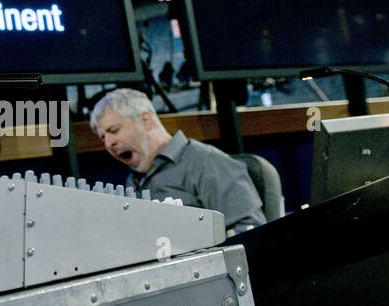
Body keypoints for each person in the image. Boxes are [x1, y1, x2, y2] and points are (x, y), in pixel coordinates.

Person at [91, 88, 266, 235]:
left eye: (114, 130)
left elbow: (251, 233)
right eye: (103, 138)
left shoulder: (206, 162)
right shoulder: (134, 181)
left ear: (146, 120)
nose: (108, 144)